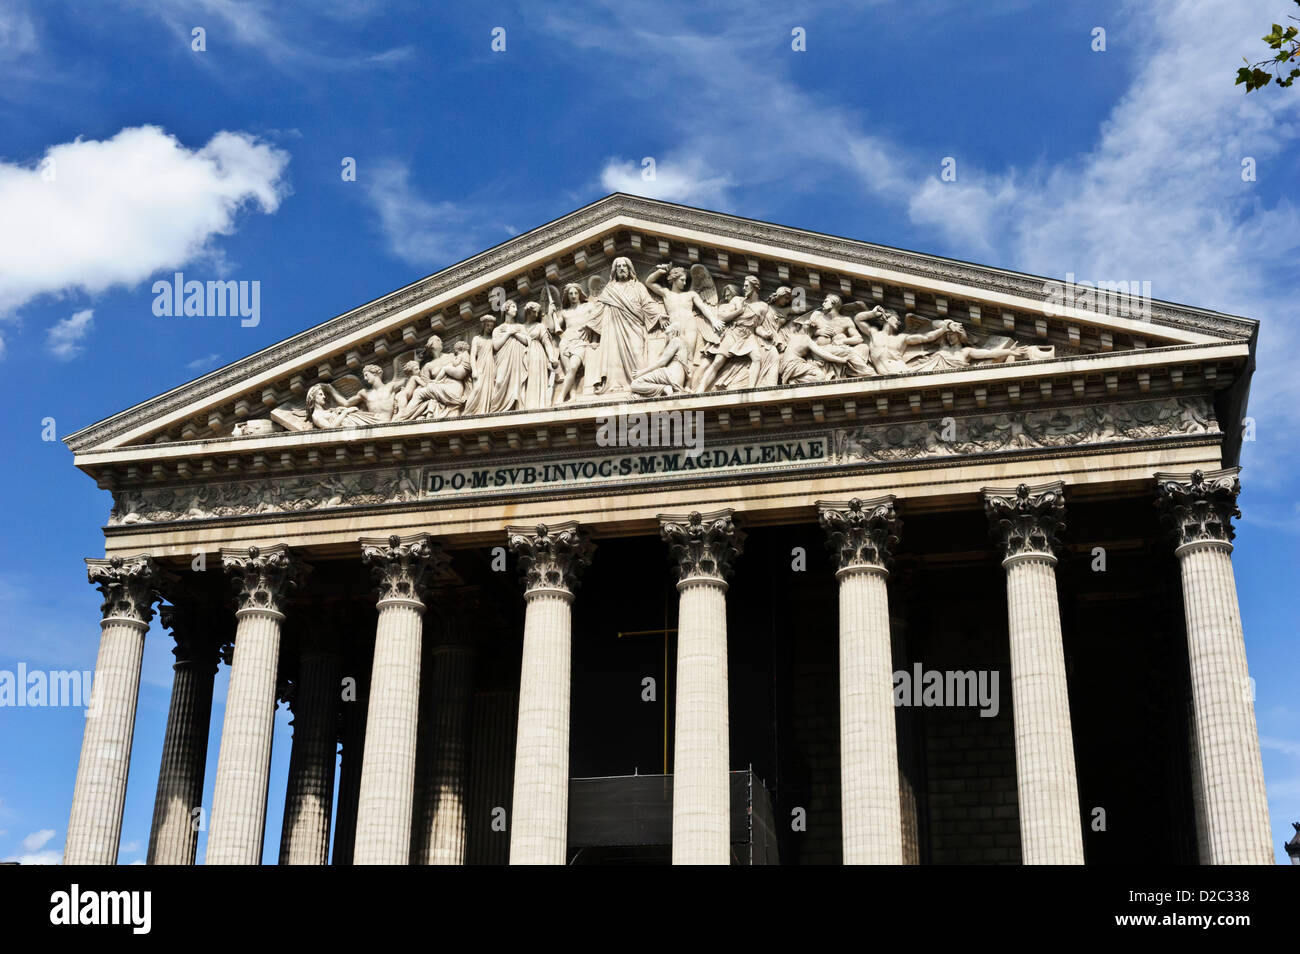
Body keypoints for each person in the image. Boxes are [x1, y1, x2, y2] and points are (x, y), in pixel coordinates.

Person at [589, 257, 663, 393]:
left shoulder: (638, 286)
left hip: (635, 326)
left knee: (637, 353)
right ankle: (616, 383)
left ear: (629, 269)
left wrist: (658, 316)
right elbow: (599, 307)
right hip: (613, 327)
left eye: (624, 266)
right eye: (619, 266)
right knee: (613, 356)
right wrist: (589, 324)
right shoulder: (610, 289)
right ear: (615, 270)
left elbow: (647, 303)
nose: (622, 268)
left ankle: (642, 383)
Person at [630, 323, 691, 397]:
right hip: (677, 379)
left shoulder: (676, 340)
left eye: (667, 334)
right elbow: (690, 370)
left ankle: (664, 388)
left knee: (635, 384)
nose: (666, 337)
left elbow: (662, 362)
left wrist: (641, 372)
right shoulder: (683, 344)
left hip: (670, 375)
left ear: (673, 333)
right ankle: (657, 390)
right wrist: (687, 386)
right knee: (639, 388)